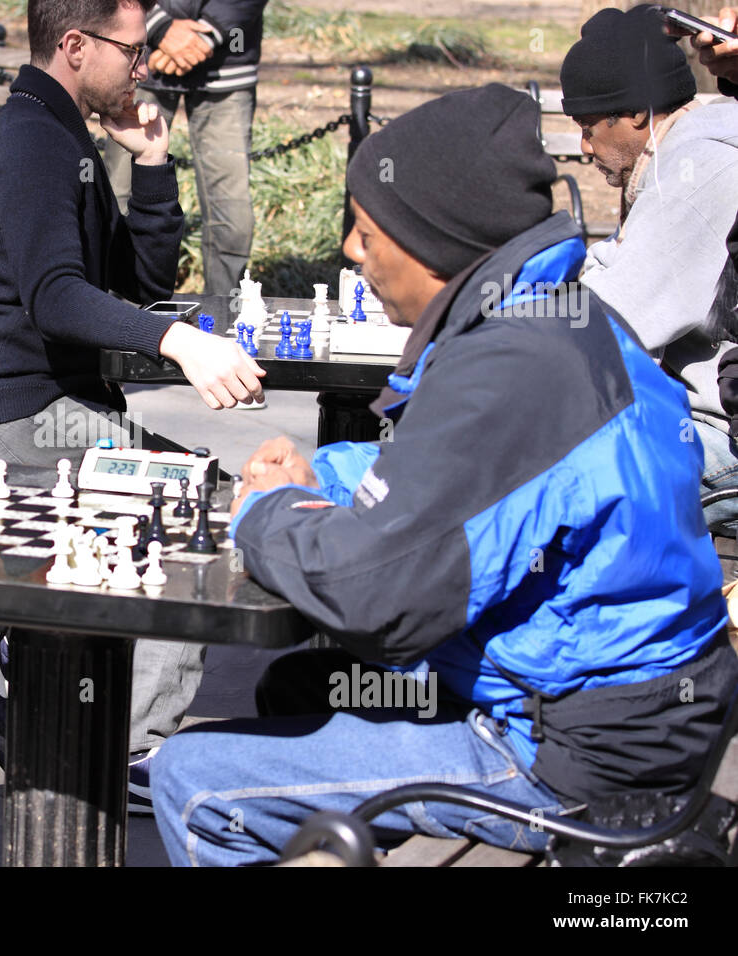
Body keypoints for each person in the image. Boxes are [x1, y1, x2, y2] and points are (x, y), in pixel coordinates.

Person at [148, 84, 738, 866]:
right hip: (650, 708)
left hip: (576, 753)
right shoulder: (559, 321)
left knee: (194, 781)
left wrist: (265, 513)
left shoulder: (511, 371)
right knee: (302, 689)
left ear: (430, 244)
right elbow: (463, 476)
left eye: (366, 231)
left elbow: (375, 596)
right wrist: (325, 473)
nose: (351, 251)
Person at [0, 0, 265, 808]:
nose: (144, 66)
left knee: (193, 486)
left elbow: (134, 285)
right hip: (5, 419)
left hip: (43, 410)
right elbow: (57, 299)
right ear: (75, 46)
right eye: (131, 50)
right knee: (199, 505)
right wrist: (180, 343)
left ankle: (83, 703)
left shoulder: (59, 131)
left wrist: (153, 164)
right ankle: (129, 748)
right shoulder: (34, 140)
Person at [560, 4, 738, 532]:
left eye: (589, 126)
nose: (585, 146)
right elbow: (616, 267)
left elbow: (612, 323)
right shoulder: (686, 148)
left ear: (638, 112)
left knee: (546, 482)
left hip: (720, 436)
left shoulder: (695, 169)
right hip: (699, 415)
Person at [103, 0, 268, 299]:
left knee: (232, 214)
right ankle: (113, 316)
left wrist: (208, 34)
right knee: (116, 197)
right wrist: (157, 25)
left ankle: (224, 316)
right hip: (138, 55)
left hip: (226, 60)